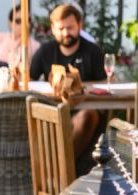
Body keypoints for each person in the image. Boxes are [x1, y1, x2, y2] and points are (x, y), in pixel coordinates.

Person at [29, 3, 106, 157]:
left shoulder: (93, 51)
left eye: (70, 28)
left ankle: (61, 167)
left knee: (86, 116)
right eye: (61, 29)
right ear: (53, 29)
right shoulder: (45, 51)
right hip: (52, 110)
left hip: (85, 111)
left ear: (79, 25)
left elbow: (104, 85)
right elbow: (30, 81)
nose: (65, 33)